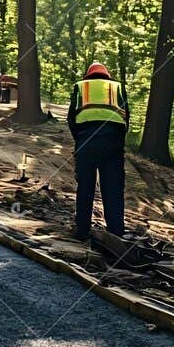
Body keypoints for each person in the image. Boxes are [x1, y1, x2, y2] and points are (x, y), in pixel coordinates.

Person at [69, 61, 128, 240]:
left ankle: (82, 231)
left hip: (86, 142)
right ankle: (116, 233)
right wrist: (118, 142)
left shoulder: (80, 86)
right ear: (107, 76)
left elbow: (71, 119)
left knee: (85, 188)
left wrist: (79, 140)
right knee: (113, 189)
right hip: (112, 143)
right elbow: (126, 119)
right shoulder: (117, 87)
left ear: (88, 75)